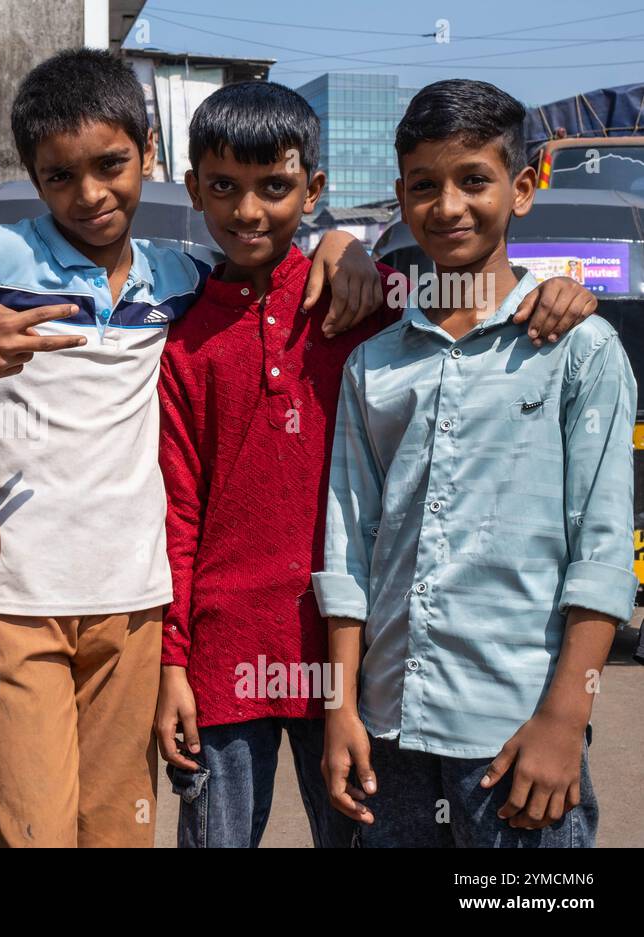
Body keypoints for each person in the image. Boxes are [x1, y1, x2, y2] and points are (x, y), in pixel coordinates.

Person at [0, 47, 389, 848]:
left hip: (135, 606)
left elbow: (269, 263)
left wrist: (341, 245)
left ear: (150, 155)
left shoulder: (178, 280)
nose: (90, 194)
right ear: (33, 173)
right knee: (31, 831)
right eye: (60, 176)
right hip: (18, 600)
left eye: (112, 165)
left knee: (119, 829)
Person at [155, 80, 595, 849]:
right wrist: (172, 662)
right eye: (223, 187)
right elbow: (178, 515)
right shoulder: (184, 340)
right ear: (194, 189)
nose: (248, 210)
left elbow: (476, 299)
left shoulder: (374, 307)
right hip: (224, 658)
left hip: (350, 665)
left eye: (276, 186)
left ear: (314, 189)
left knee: (359, 836)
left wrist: (564, 291)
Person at [315, 79, 635, 847]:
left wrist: (565, 718)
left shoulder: (577, 349)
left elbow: (601, 551)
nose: (449, 206)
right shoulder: (375, 364)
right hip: (388, 732)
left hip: (518, 733)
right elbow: (347, 547)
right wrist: (341, 707)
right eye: (425, 185)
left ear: (521, 189)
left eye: (474, 180)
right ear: (399, 196)